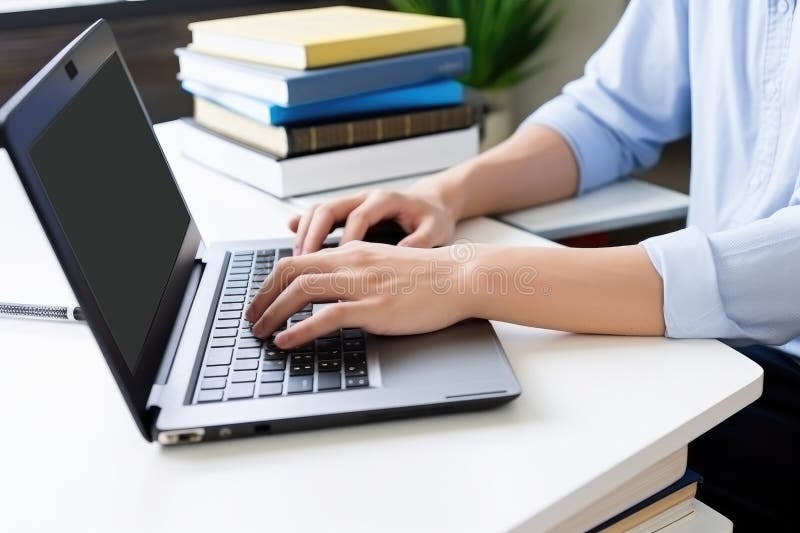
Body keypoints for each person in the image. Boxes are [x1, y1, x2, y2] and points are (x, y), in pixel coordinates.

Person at [245, 1, 800, 529]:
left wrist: (469, 275)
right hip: (710, 344)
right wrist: (446, 193)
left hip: (777, 371)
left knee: (519, 466)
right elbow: (611, 115)